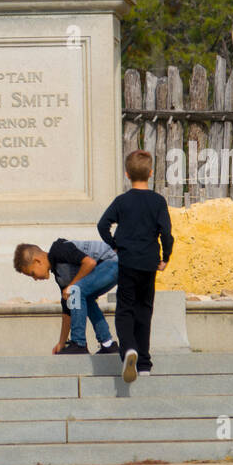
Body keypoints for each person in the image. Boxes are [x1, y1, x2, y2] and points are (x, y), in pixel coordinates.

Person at [97, 149, 174, 384]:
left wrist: (115, 246)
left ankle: (129, 349)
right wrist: (165, 256)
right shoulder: (158, 201)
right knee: (144, 309)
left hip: (128, 262)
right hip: (149, 263)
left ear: (127, 174)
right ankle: (144, 363)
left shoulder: (122, 201)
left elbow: (103, 225)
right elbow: (166, 233)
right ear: (150, 173)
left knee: (125, 310)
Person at [13, 237, 119, 355]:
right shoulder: (60, 277)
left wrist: (72, 286)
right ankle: (108, 344)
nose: (35, 279)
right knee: (84, 298)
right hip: (109, 270)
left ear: (37, 261)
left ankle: (79, 343)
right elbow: (67, 311)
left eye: (33, 273)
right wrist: (61, 343)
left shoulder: (59, 249)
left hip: (111, 263)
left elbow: (90, 262)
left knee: (76, 290)